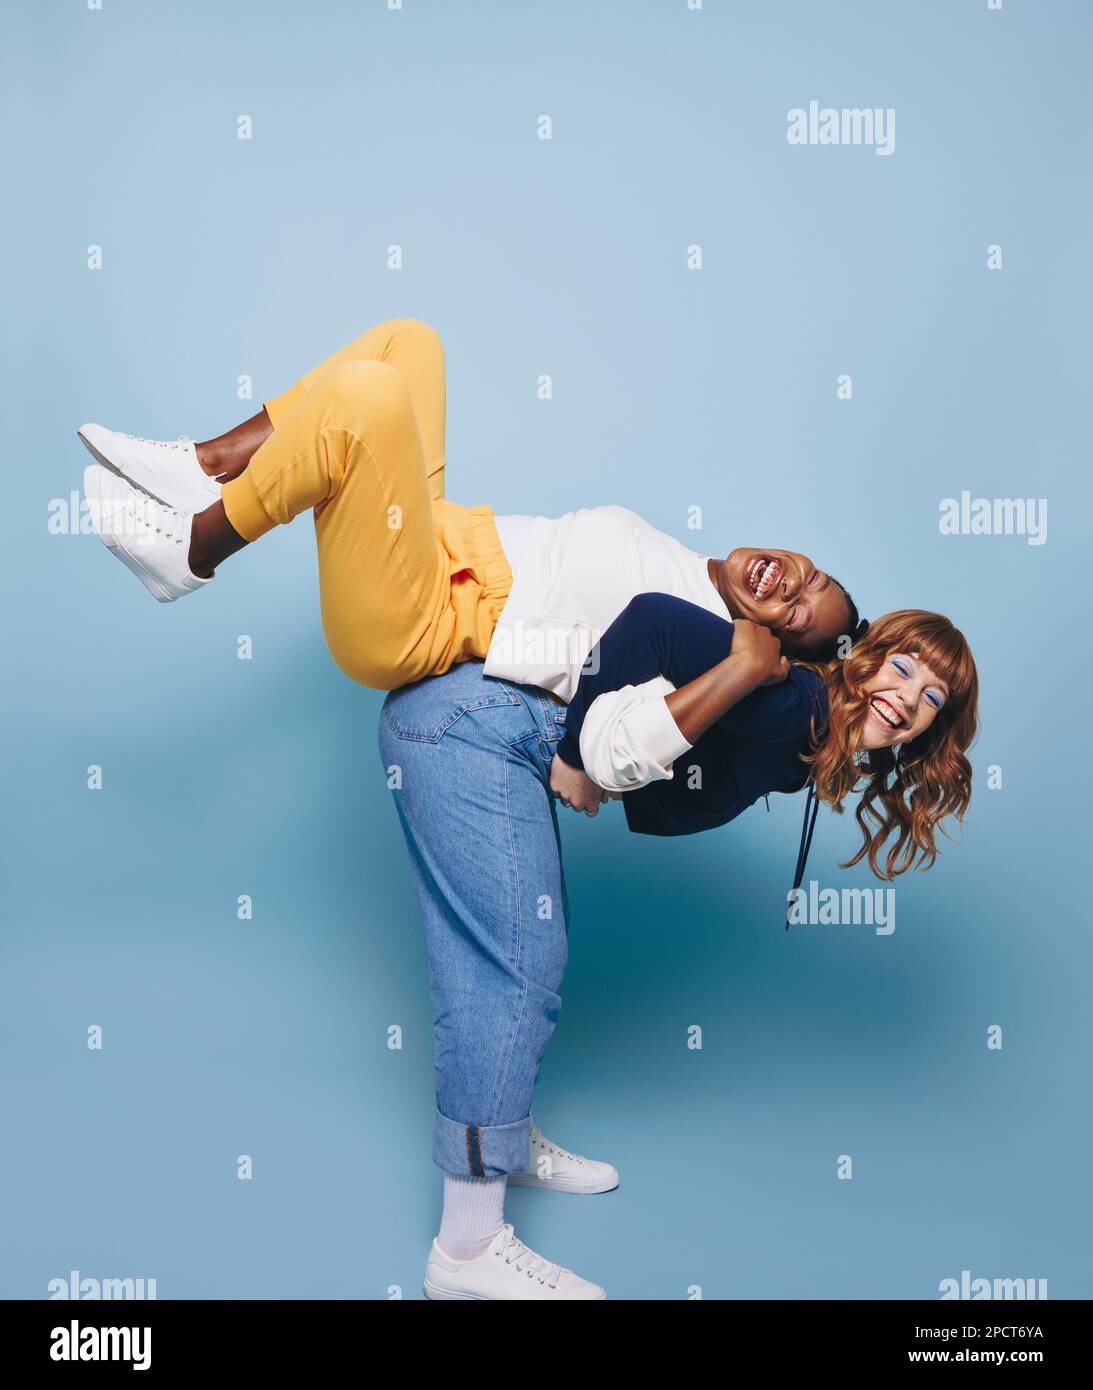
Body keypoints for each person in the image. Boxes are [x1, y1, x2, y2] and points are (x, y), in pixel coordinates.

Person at [378, 597, 978, 1299]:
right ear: (866, 658)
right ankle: (466, 1248)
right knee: (512, 967)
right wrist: (575, 755)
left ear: (935, 725)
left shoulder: (816, 727)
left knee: (512, 946)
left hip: (470, 724)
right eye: (902, 668)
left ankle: (499, 1140)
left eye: (931, 695)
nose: (907, 698)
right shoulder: (795, 697)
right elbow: (650, 621)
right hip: (472, 729)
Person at [77, 317, 864, 747]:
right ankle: (203, 468)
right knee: (407, 345)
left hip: (421, 616)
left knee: (367, 398)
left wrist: (750, 672)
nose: (787, 588)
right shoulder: (687, 562)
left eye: (794, 619)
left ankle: (192, 549)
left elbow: (620, 744)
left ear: (770, 640)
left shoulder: (693, 641)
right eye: (812, 581)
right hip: (436, 535)